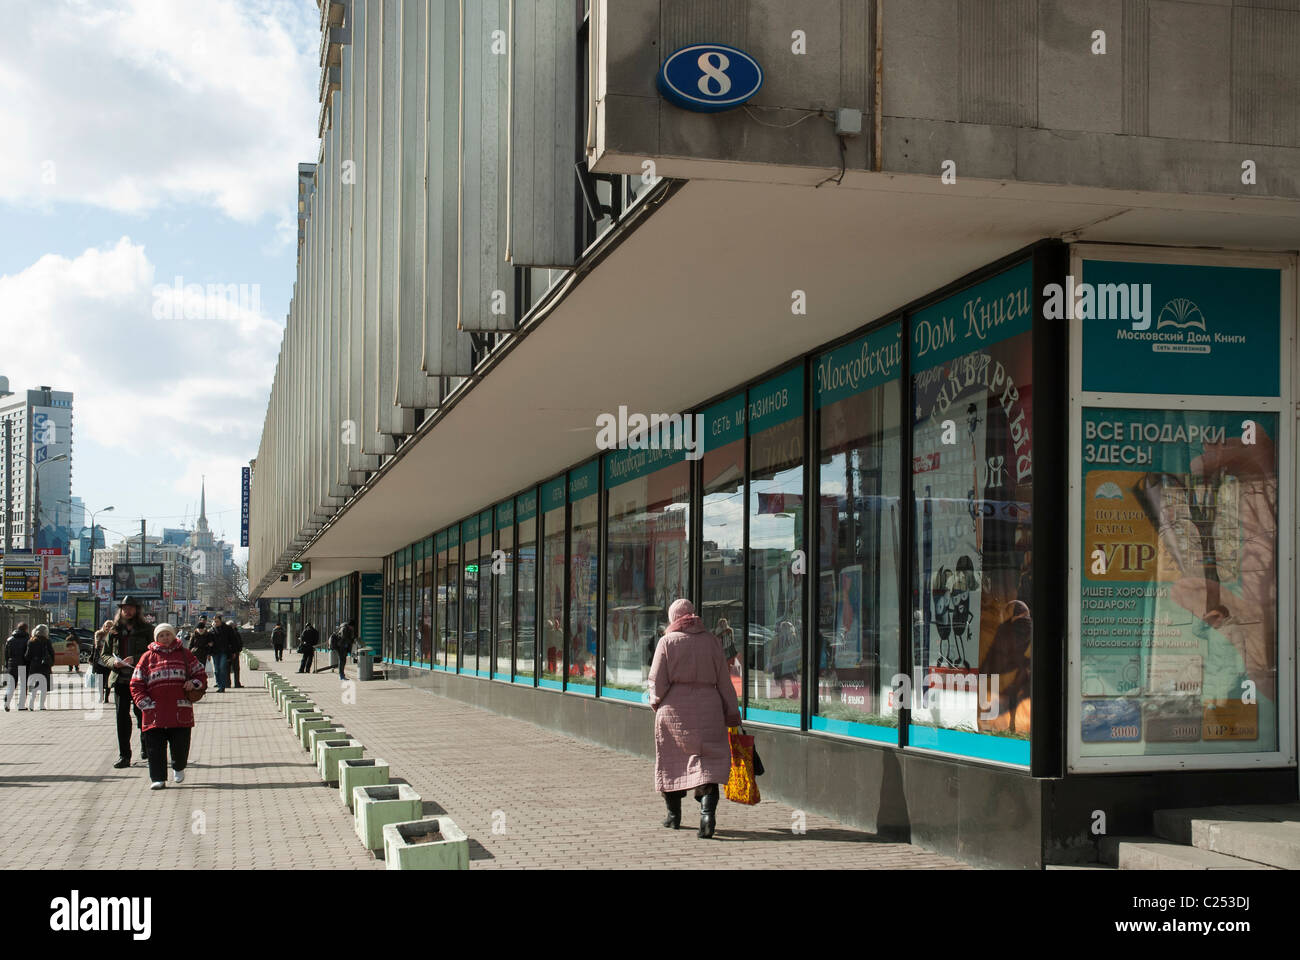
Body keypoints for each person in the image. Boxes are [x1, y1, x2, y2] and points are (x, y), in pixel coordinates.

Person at [648, 598, 741, 839]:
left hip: (674, 711)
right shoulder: (711, 641)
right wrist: (732, 714)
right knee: (707, 764)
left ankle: (673, 815)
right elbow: (724, 681)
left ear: (673, 618)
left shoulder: (666, 642)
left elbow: (656, 681)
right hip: (709, 709)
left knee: (671, 761)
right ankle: (707, 815)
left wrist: (656, 703)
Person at [129, 622, 206, 789]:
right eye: (161, 635)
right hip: (154, 710)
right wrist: (144, 702)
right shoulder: (147, 657)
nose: (165, 638)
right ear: (156, 638)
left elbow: (200, 674)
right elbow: (136, 683)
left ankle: (178, 767)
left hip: (180, 708)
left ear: (173, 635)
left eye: (167, 634)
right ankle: (158, 778)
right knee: (154, 747)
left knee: (180, 743)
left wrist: (193, 683)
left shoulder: (185, 654)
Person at [99, 596, 154, 768]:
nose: (127, 611)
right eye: (124, 608)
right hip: (120, 679)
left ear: (137, 610)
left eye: (130, 608)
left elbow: (153, 652)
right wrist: (112, 662)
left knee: (142, 715)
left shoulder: (146, 629)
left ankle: (146, 747)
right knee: (121, 718)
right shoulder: (114, 630)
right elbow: (104, 654)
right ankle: (125, 755)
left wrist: (135, 659)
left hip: (141, 680)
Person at [24, 625, 56, 711]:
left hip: (34, 666)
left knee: (34, 686)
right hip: (45, 666)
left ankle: (31, 704)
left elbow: (27, 656)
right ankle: (42, 705)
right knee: (44, 687)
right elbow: (52, 653)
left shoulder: (31, 641)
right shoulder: (47, 641)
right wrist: (51, 663)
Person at [3, 622, 31, 711]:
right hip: (24, 665)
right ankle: (21, 705)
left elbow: (6, 655)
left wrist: (7, 664)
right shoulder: (28, 639)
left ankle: (7, 703)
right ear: (26, 629)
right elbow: (28, 654)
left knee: (11, 685)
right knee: (23, 685)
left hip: (12, 665)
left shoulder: (10, 639)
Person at [91, 621, 114, 704]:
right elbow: (94, 649)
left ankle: (106, 698)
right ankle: (101, 696)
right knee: (100, 681)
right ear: (104, 626)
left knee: (108, 681)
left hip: (109, 661)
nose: (108, 628)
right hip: (100, 661)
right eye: (106, 626)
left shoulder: (113, 636)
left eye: (110, 626)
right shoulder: (99, 635)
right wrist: (92, 659)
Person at [209, 615, 231, 693]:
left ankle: (222, 686)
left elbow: (232, 639)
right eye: (215, 621)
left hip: (224, 651)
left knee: (222, 668)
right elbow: (208, 640)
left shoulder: (227, 629)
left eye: (217, 621)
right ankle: (219, 684)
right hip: (215, 652)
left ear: (221, 621)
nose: (216, 623)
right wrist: (210, 645)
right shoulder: (211, 630)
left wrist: (234, 651)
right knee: (217, 670)